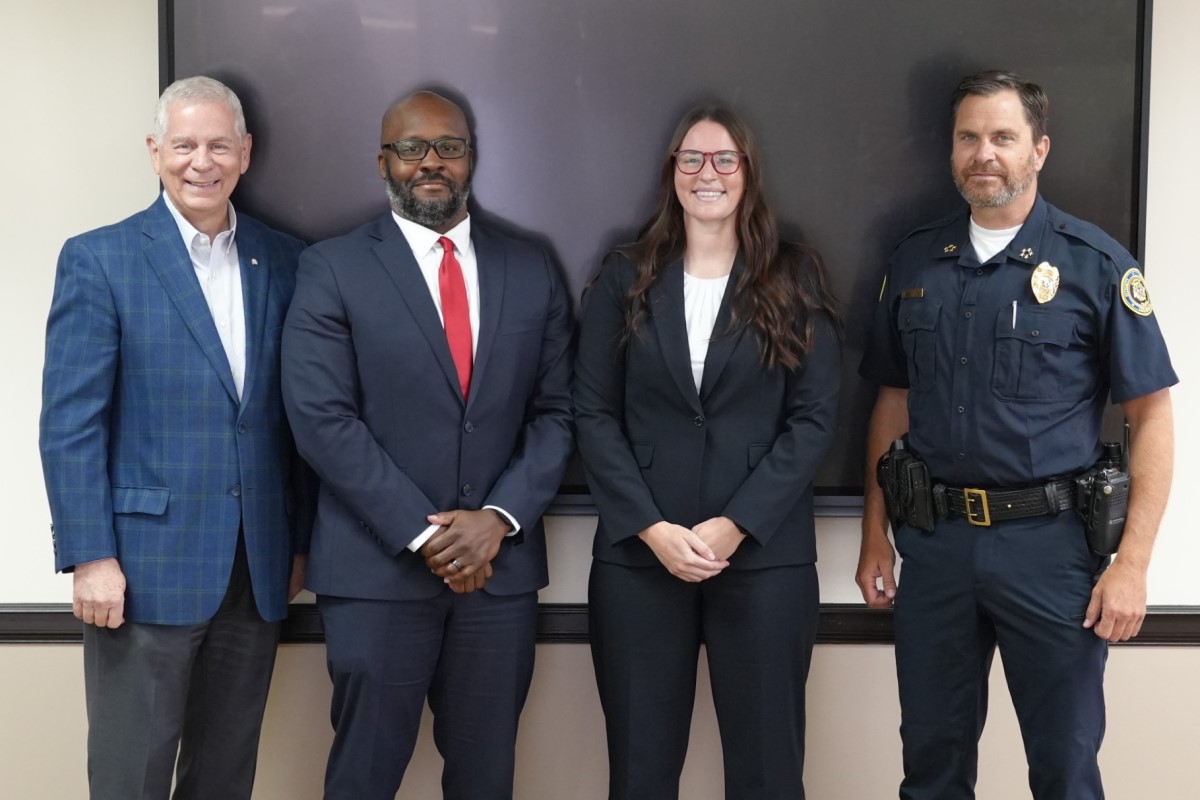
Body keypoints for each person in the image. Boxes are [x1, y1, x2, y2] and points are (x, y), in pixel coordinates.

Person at [857, 70, 1177, 799]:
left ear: (1039, 150)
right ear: (952, 150)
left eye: (1003, 137)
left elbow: (1151, 414)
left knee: (1064, 770)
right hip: (935, 548)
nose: (984, 154)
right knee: (931, 768)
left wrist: (1132, 566)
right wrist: (876, 535)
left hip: (1053, 552)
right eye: (968, 137)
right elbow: (892, 403)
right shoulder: (912, 262)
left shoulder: (1096, 264)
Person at [281, 90, 574, 800]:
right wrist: (427, 536)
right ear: (383, 160)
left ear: (473, 157)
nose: (430, 162)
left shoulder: (530, 267)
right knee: (363, 778)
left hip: (498, 579)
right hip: (376, 576)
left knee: (486, 780)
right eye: (411, 148)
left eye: (449, 146)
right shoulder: (332, 268)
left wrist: (497, 521)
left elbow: (560, 413)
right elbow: (322, 418)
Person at [38, 75, 312, 800]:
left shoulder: (286, 261)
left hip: (255, 571)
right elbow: (70, 423)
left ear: (246, 153)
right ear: (155, 151)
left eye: (219, 144)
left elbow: (300, 416)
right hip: (140, 574)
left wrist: (297, 542)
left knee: (224, 778)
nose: (202, 161)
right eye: (184, 144)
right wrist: (91, 556)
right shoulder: (101, 259)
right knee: (131, 778)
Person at [574, 105, 842, 799]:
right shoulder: (625, 275)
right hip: (640, 561)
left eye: (725, 159)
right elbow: (593, 414)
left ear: (748, 173)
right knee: (640, 771)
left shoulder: (794, 276)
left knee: (766, 773)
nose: (707, 174)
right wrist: (651, 528)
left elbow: (813, 421)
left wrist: (735, 524)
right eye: (690, 159)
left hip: (763, 563)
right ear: (672, 174)